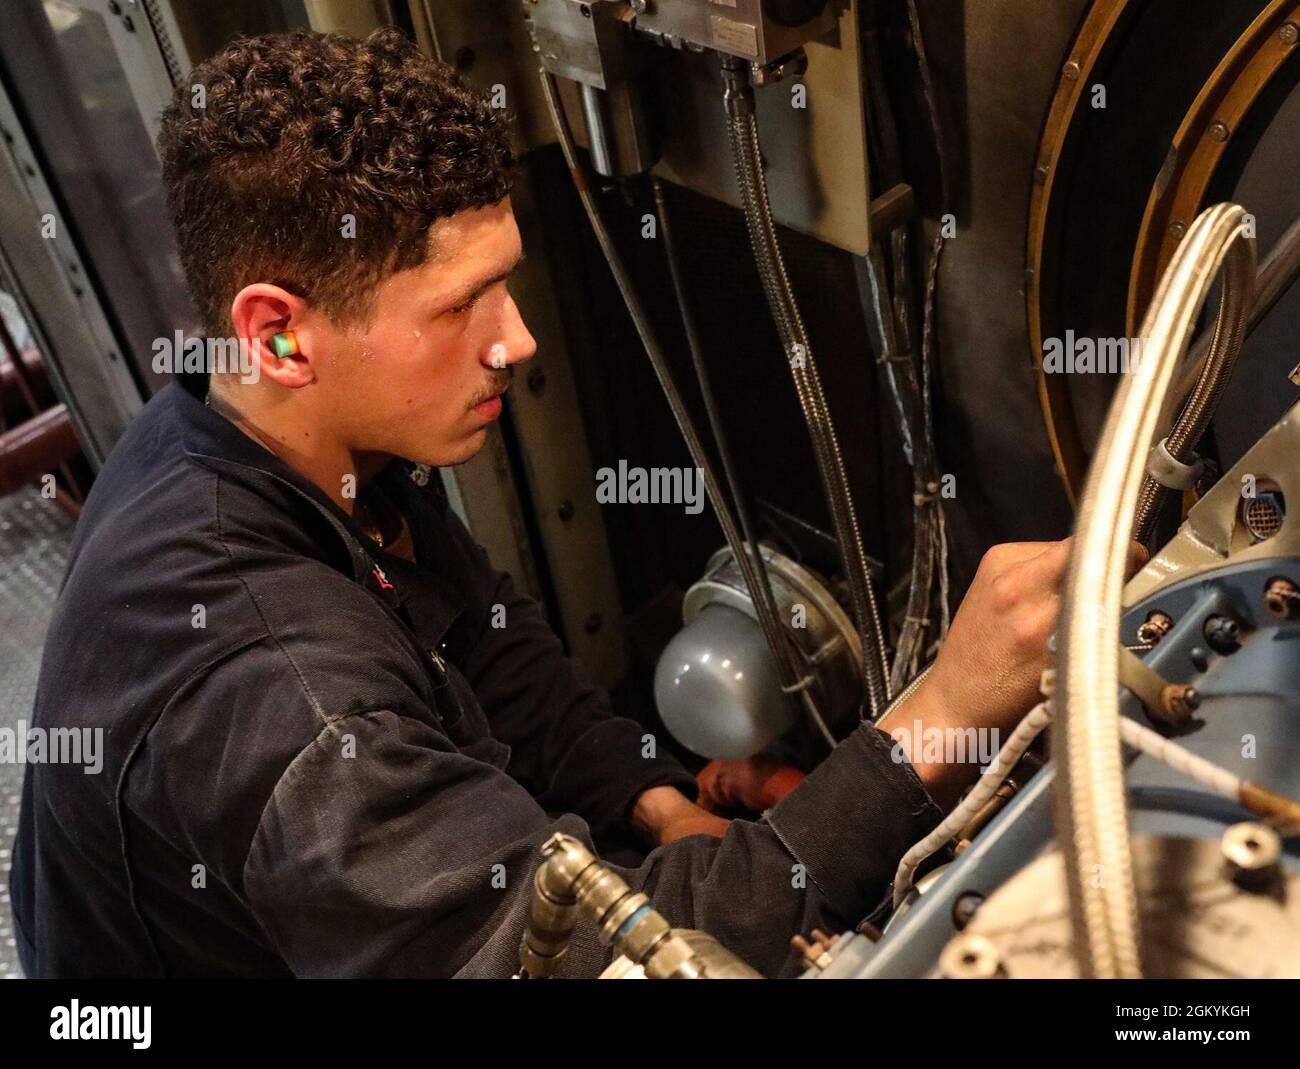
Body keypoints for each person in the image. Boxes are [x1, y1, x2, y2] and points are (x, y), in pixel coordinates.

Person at [10, 29, 1078, 978]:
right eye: (457, 307)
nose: (515, 342)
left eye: (505, 284)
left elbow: (490, 649)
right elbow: (592, 966)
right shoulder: (284, 700)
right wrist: (937, 716)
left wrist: (655, 804)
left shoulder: (265, 430)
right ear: (280, 332)